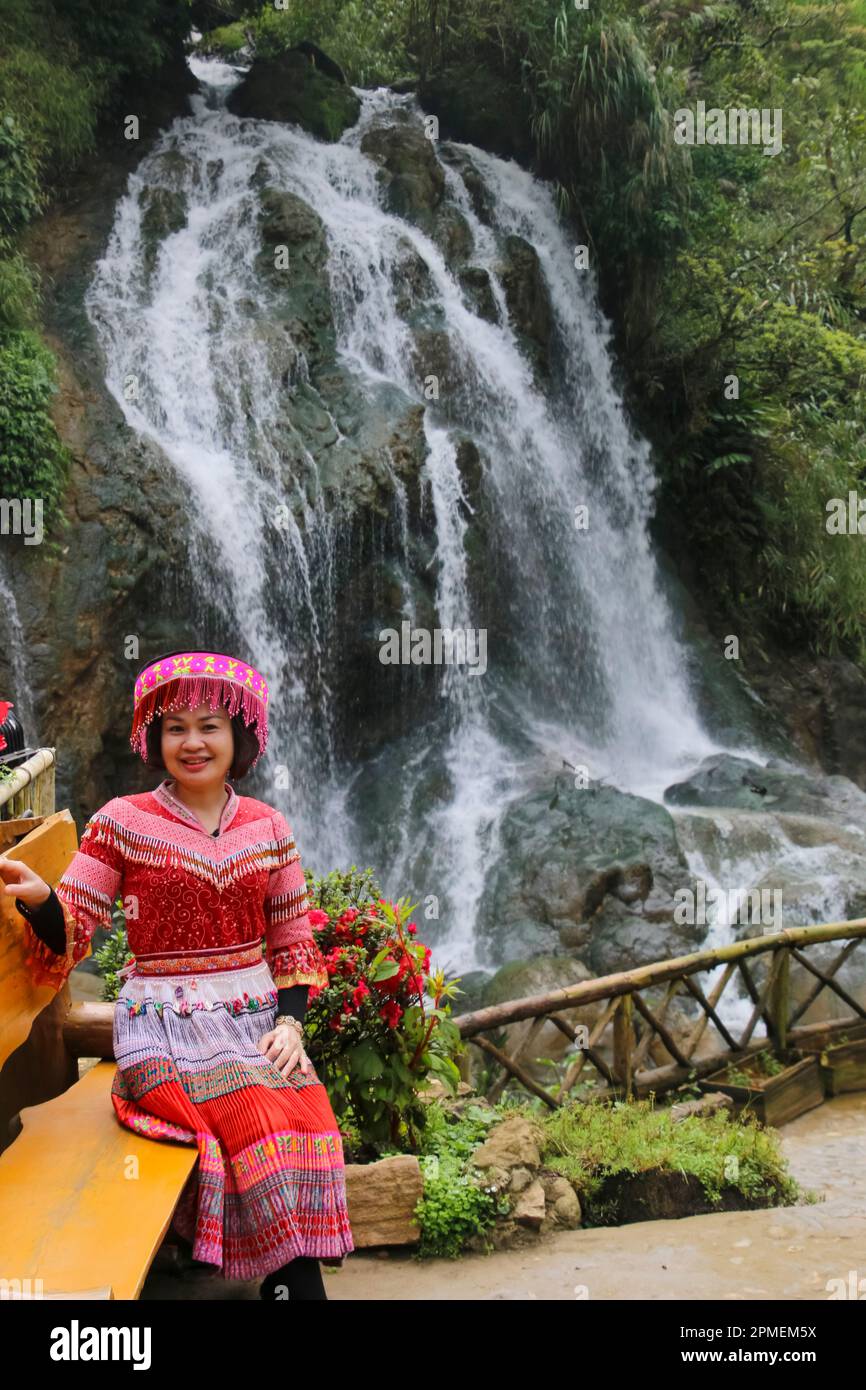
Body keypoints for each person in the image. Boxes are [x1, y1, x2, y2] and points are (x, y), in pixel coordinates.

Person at [0, 647, 354, 1299]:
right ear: (155, 737)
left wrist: (292, 1026)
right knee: (259, 1120)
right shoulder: (121, 823)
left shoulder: (270, 828)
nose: (192, 742)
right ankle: (295, 1287)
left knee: (310, 1114)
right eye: (175, 727)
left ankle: (286, 1280)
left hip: (254, 1022)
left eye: (209, 726)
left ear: (238, 737)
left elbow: (292, 939)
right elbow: (75, 921)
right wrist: (41, 898)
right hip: (163, 1025)